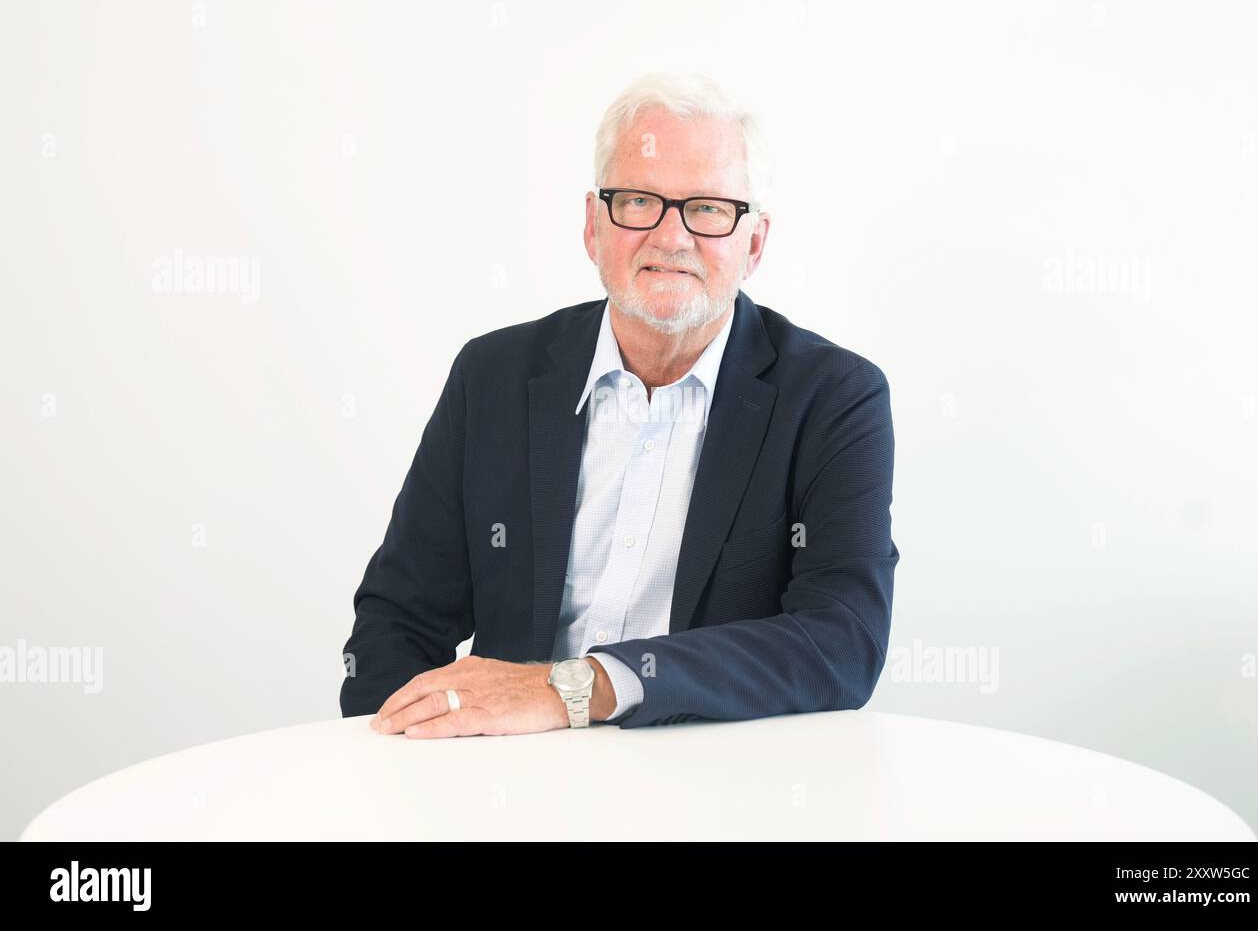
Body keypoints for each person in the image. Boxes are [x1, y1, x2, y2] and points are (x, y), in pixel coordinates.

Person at [341, 71, 899, 736]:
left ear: (753, 242)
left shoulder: (834, 399)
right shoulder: (492, 376)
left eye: (710, 208)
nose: (671, 237)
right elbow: (398, 619)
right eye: (638, 201)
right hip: (506, 785)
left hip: (716, 783)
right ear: (593, 226)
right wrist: (397, 755)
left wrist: (574, 689)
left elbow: (839, 643)